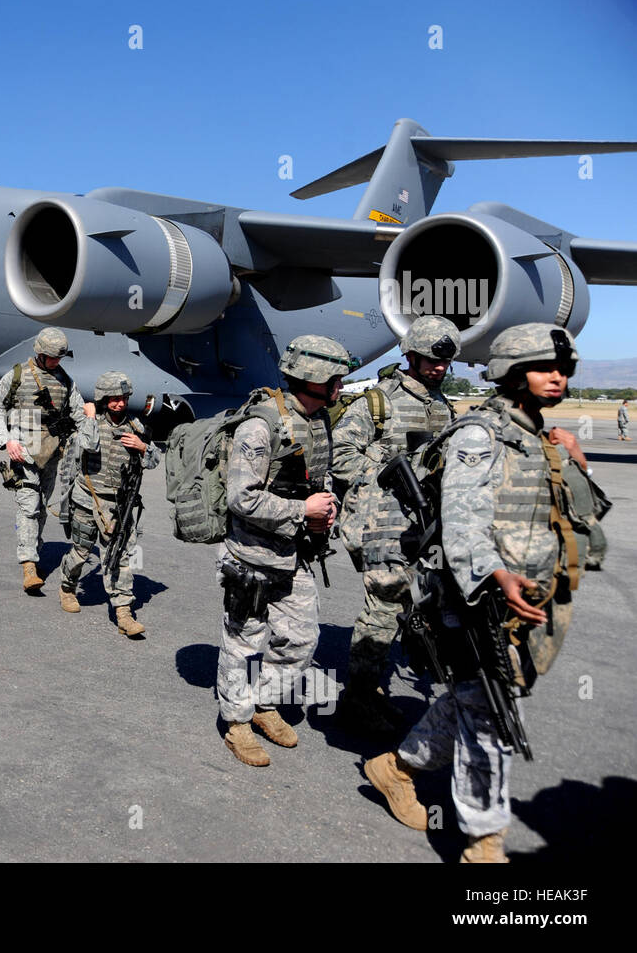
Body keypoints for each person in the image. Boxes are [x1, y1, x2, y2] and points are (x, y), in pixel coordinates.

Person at [365, 325, 588, 863]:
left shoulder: (540, 438)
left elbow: (585, 523)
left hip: (532, 601)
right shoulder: (479, 435)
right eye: (542, 367)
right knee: (489, 713)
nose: (555, 376)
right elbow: (462, 524)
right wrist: (493, 575)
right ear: (513, 374)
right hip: (479, 602)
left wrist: (576, 463)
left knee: (474, 702)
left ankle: (397, 767)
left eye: (561, 367)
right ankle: (483, 842)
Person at [217, 335, 351, 767]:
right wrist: (301, 509)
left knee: (301, 638)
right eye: (336, 379)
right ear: (316, 379)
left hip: (296, 555)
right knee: (243, 642)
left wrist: (327, 508)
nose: (341, 387)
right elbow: (241, 498)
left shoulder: (317, 422)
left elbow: (320, 478)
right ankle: (236, 722)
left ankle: (265, 705)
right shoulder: (260, 427)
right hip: (252, 558)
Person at [331, 316, 460, 734]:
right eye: (429, 360)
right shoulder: (377, 402)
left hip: (425, 526)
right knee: (383, 609)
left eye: (444, 362)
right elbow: (341, 455)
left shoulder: (442, 405)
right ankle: (358, 700)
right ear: (411, 355)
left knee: (415, 607)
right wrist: (391, 472)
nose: (438, 368)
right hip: (383, 524)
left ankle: (374, 691)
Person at [56, 371, 160, 636]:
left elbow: (155, 460)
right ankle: (67, 587)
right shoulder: (89, 423)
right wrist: (90, 416)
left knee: (119, 558)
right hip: (87, 500)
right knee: (80, 553)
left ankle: (124, 612)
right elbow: (88, 446)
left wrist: (144, 447)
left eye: (123, 398)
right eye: (113, 399)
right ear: (103, 399)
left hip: (118, 507)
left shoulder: (136, 427)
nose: (119, 404)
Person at [0, 327, 86, 593]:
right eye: (51, 357)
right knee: (29, 507)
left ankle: (35, 552)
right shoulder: (17, 375)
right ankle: (28, 564)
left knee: (41, 508)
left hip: (52, 455)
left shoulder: (65, 380)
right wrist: (7, 440)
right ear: (39, 353)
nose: (56, 362)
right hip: (24, 453)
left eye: (59, 358)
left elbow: (78, 414)